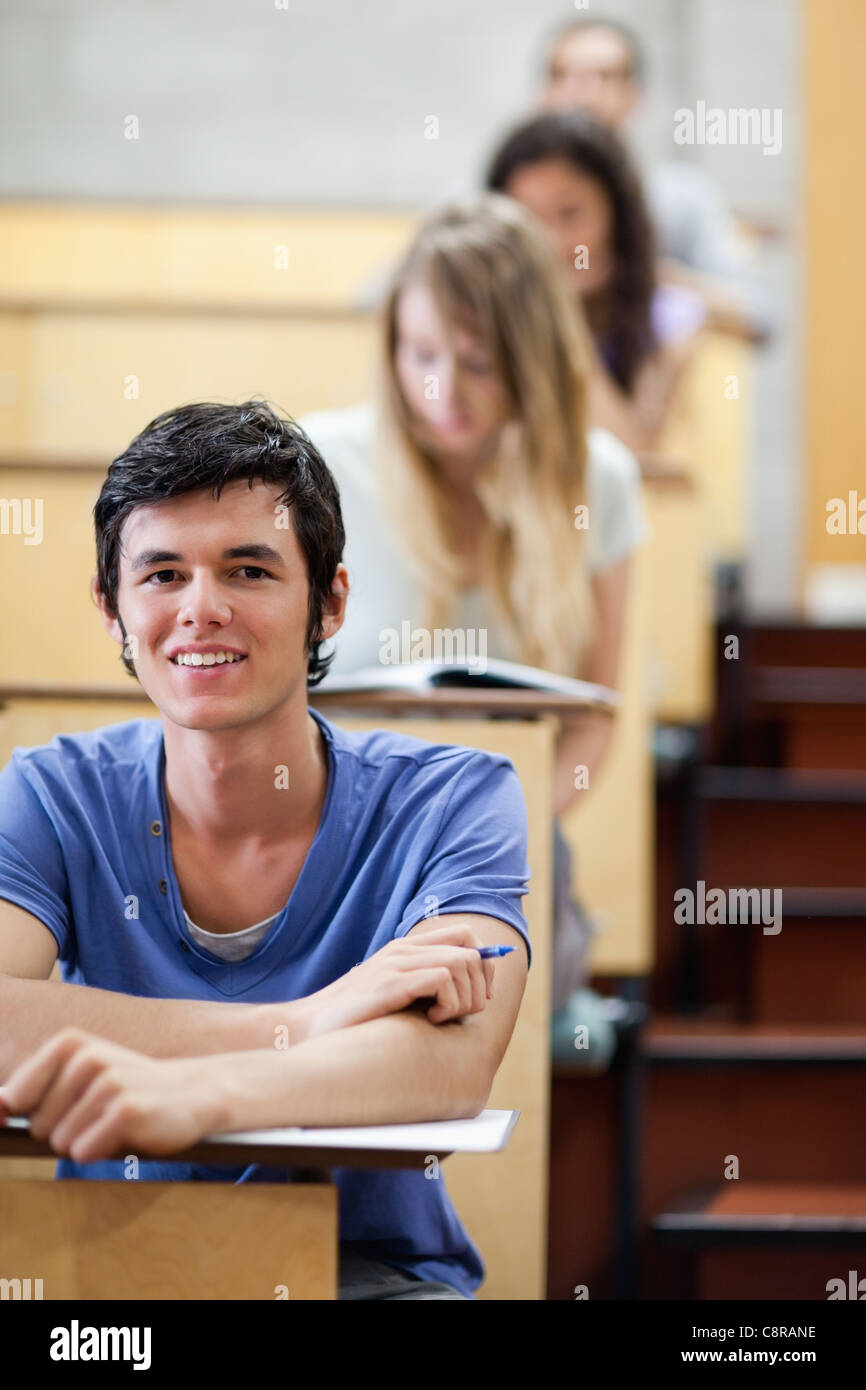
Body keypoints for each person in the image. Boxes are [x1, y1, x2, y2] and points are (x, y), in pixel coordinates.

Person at [0, 399, 533, 1301]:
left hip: (364, 1275)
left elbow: (450, 1063)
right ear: (112, 609)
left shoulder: (458, 797)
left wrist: (200, 1098)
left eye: (248, 569)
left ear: (328, 602)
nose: (201, 610)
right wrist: (315, 1020)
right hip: (110, 1274)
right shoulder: (49, 794)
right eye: (162, 574)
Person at [298, 193, 648, 1013]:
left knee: (485, 946)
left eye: (479, 362)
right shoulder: (321, 463)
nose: (442, 388)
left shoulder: (599, 482)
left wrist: (496, 836)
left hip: (507, 847)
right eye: (420, 353)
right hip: (327, 835)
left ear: (531, 362)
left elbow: (596, 721)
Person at [538, 13, 772, 342]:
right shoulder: (502, 190)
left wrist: (649, 279)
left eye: (603, 76)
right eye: (563, 75)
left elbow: (758, 315)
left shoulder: (680, 197)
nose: (580, 94)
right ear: (542, 92)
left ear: (635, 94)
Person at [486, 111, 705, 453]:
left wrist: (561, 316)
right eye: (526, 217)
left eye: (570, 213)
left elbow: (629, 452)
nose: (550, 240)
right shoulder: (478, 308)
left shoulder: (669, 318)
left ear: (617, 216)